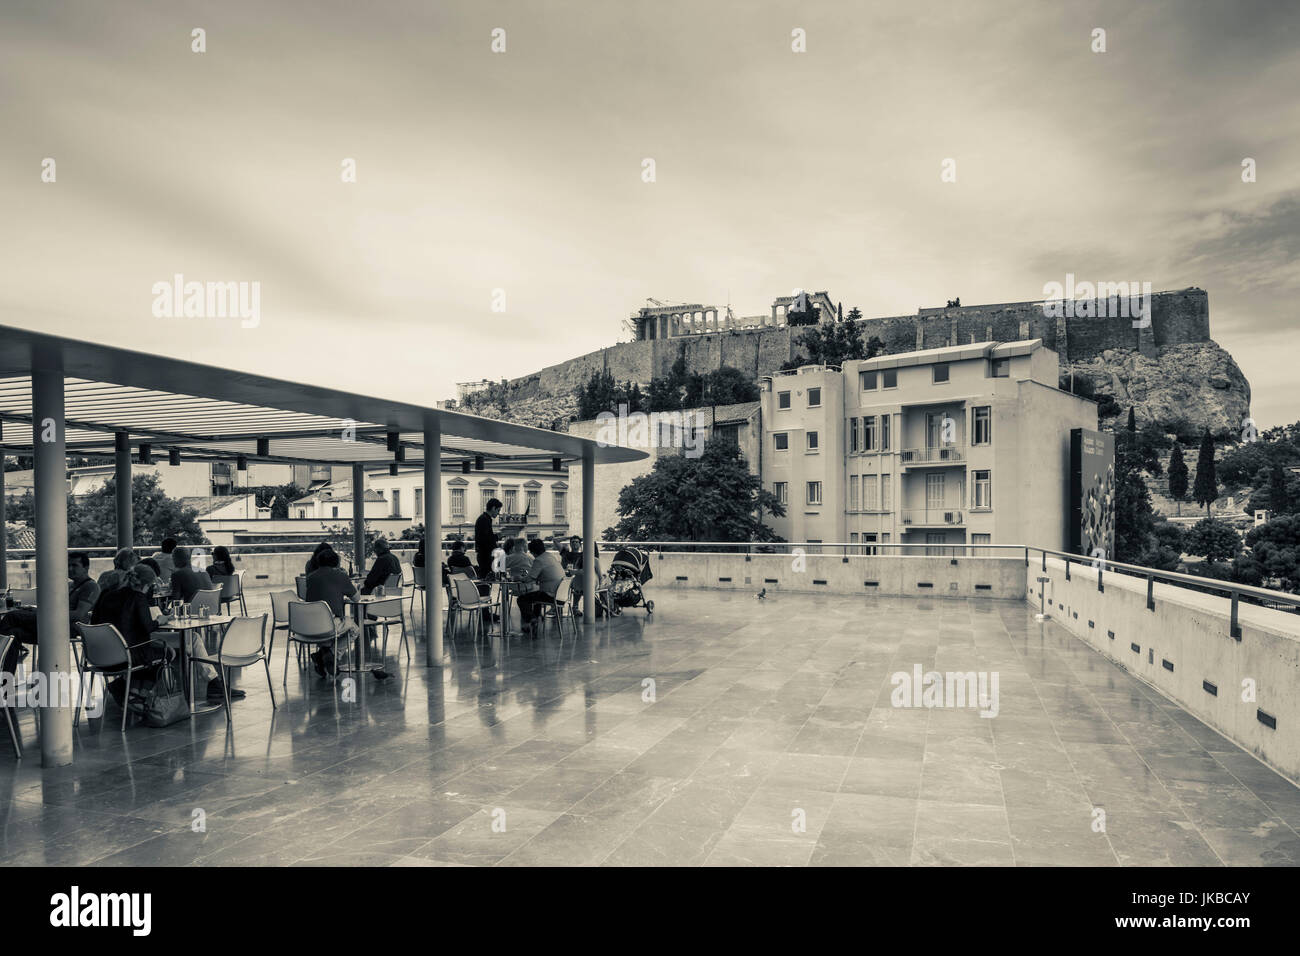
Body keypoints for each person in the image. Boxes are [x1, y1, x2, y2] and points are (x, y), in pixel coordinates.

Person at [0, 553, 101, 679]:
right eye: (68, 565)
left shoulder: (91, 586)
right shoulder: (69, 585)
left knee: (11, 617)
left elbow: (78, 615)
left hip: (67, 628)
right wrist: (36, 611)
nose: (70, 569)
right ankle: (4, 681)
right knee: (13, 635)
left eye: (74, 565)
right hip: (52, 623)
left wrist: (47, 615)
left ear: (86, 568)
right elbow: (54, 608)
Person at [91, 564, 171, 707]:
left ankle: (132, 692)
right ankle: (138, 694)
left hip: (99, 655)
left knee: (144, 654)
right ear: (147, 585)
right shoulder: (138, 597)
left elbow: (94, 621)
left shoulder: (106, 595)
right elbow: (147, 627)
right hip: (125, 656)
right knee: (165, 652)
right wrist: (159, 621)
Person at [303, 548, 360, 677]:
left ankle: (323, 654)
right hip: (330, 625)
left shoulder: (310, 577)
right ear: (336, 561)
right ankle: (331, 654)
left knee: (327, 634)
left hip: (308, 626)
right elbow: (356, 599)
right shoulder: (340, 576)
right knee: (354, 629)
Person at [517, 538, 564, 636]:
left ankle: (531, 619)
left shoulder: (539, 560)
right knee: (537, 596)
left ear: (533, 551)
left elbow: (530, 578)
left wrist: (518, 578)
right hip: (561, 596)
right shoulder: (550, 556)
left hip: (551, 595)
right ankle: (536, 618)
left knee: (522, 599)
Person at [475, 498, 502, 578]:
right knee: (486, 581)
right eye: (498, 510)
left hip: (484, 555)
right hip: (485, 556)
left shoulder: (484, 518)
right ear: (493, 508)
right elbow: (486, 540)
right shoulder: (485, 520)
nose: (498, 513)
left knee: (485, 580)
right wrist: (498, 536)